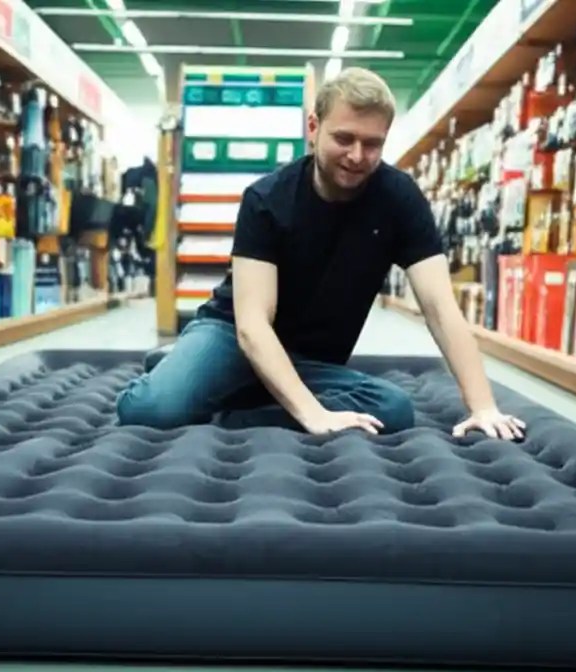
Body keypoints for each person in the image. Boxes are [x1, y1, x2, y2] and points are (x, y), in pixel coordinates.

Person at [115, 67, 525, 441]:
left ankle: (219, 402)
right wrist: (313, 415)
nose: (357, 156)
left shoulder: (400, 199)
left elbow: (441, 308)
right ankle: (189, 368)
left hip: (311, 362)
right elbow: (253, 325)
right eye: (343, 139)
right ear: (314, 128)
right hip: (234, 338)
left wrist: (483, 406)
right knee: (151, 410)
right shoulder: (266, 199)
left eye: (372, 144)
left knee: (393, 411)